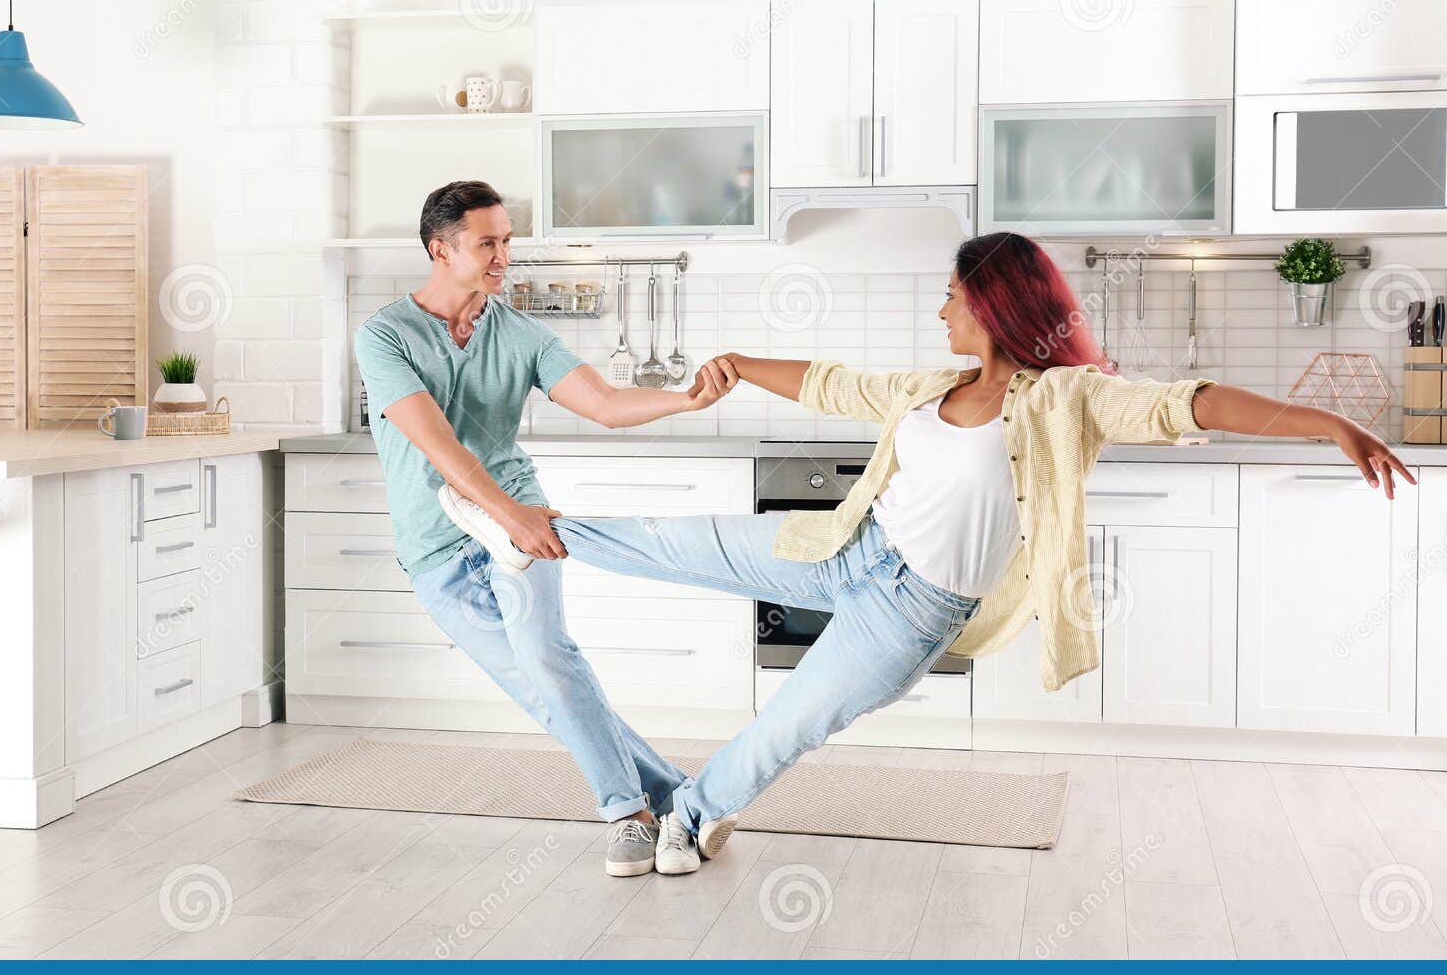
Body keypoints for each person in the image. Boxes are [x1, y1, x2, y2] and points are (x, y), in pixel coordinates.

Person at [441, 230, 1416, 875]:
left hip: (911, 610)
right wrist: (739, 365)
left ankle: (690, 816)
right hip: (837, 550)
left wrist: (1321, 422)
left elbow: (1188, 401)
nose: (938, 311)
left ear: (993, 305)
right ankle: (527, 528)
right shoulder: (929, 386)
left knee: (790, 720)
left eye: (949, 297)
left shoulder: (1067, 397)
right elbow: (831, 382)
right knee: (672, 540)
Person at [352, 180, 737, 878]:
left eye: (507, 241)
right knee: (538, 686)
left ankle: (626, 815)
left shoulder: (520, 330)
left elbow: (607, 402)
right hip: (442, 543)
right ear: (441, 249)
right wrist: (509, 514)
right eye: (488, 243)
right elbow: (438, 445)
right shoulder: (383, 334)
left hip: (524, 524)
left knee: (550, 660)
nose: (504, 256)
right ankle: (684, 798)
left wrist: (686, 399)